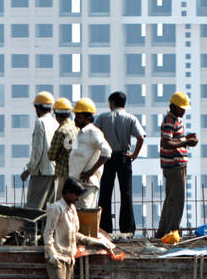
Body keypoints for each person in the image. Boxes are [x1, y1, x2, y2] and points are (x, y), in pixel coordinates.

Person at [43, 178, 107, 279]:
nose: (78, 198)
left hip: (69, 256)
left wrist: (96, 242)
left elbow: (75, 234)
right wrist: (51, 255)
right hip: (57, 257)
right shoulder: (55, 208)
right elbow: (48, 234)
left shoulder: (72, 210)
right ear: (67, 193)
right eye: (76, 195)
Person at [95, 91, 145, 236]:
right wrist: (135, 154)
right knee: (126, 193)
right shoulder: (131, 118)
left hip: (108, 157)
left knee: (105, 193)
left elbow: (95, 134)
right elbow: (140, 137)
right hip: (124, 157)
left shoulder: (103, 118)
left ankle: (104, 229)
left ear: (112, 103)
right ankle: (127, 229)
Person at [156, 91, 198, 238]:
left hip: (176, 165)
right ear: (173, 107)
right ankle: (171, 232)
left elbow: (173, 139)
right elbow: (167, 143)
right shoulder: (169, 121)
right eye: (181, 108)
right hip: (174, 166)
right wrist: (186, 142)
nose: (184, 110)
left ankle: (163, 231)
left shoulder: (175, 120)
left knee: (171, 200)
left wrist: (186, 138)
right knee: (176, 202)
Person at [67, 99, 111, 211]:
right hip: (77, 183)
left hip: (87, 184)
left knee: (86, 214)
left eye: (78, 117)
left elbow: (107, 151)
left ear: (88, 118)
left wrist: (91, 172)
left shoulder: (93, 132)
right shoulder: (79, 133)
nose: (75, 119)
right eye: (75, 116)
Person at [20, 90, 58, 211]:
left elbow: (38, 150)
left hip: (41, 171)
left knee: (33, 207)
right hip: (54, 171)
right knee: (49, 208)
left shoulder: (40, 122)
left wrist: (29, 169)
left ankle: (31, 231)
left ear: (38, 108)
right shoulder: (55, 122)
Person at [48, 97, 76, 190]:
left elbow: (51, 156)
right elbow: (73, 149)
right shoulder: (76, 128)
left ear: (56, 115)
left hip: (63, 174)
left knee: (62, 202)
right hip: (76, 173)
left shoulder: (61, 131)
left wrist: (59, 155)